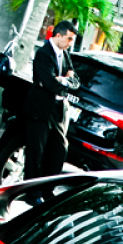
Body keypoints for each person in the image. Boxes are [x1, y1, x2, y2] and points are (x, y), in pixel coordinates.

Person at [24, 20, 78, 181]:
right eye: (69, 39)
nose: (70, 43)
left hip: (58, 109)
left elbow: (75, 81)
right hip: (41, 108)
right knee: (36, 152)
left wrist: (63, 81)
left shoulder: (65, 55)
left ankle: (47, 190)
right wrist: (63, 82)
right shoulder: (44, 53)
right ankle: (31, 192)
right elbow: (48, 82)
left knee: (59, 150)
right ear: (58, 35)